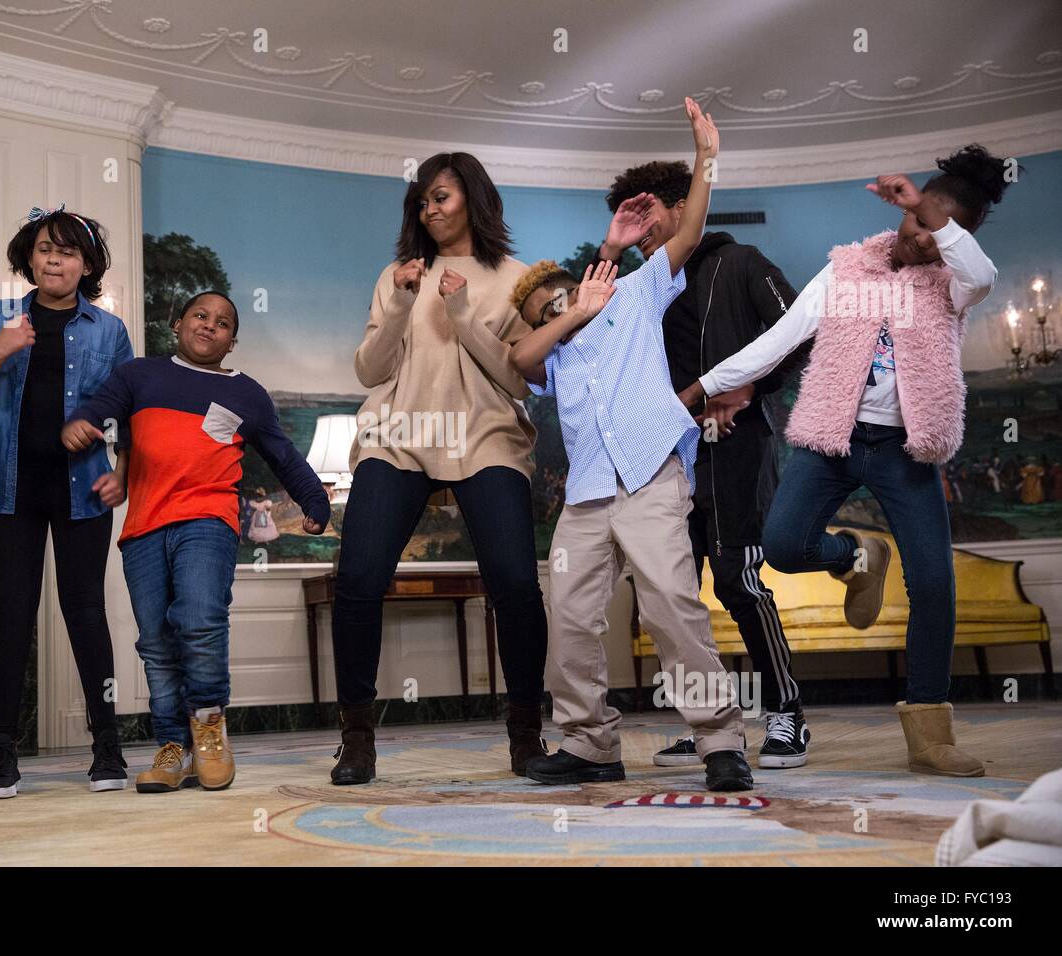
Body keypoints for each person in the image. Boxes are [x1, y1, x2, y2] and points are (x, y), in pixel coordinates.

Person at [677, 145, 1012, 777]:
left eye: (939, 229)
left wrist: (937, 220)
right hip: (830, 440)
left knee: (934, 587)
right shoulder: (847, 270)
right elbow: (780, 340)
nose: (922, 238)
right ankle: (858, 556)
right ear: (899, 217)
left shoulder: (953, 283)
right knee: (780, 546)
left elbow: (983, 275)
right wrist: (700, 389)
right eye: (915, 223)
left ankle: (930, 733)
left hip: (903, 451)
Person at [512, 99, 753, 792]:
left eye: (559, 298)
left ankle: (719, 741)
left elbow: (692, 228)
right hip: (587, 494)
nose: (552, 312)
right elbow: (520, 360)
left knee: (671, 606)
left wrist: (702, 161)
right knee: (570, 616)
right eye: (541, 313)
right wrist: (567, 321)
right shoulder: (554, 353)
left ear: (586, 282)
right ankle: (589, 744)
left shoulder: (638, 295)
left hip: (650, 477)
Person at [329, 151, 549, 785]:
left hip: (483, 432)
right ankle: (357, 740)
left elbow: (519, 378)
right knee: (359, 578)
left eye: (442, 196)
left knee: (514, 582)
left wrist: (462, 316)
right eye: (422, 199)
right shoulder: (397, 275)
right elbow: (369, 372)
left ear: (473, 200)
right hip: (400, 433)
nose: (429, 208)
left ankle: (526, 734)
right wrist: (400, 303)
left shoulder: (515, 278)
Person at [592, 156, 812, 770]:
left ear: (684, 207)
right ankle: (711, 724)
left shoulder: (740, 263)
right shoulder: (643, 288)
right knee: (672, 594)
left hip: (735, 450)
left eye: (650, 214)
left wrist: (749, 389)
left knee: (738, 583)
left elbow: (802, 333)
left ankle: (786, 713)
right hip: (665, 459)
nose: (644, 230)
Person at [63, 291, 330, 792]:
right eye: (200, 316)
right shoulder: (138, 375)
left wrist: (314, 503)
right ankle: (172, 748)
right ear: (176, 324)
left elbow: (283, 454)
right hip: (142, 526)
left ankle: (208, 729)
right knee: (156, 643)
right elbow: (102, 409)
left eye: (223, 323)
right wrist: (82, 425)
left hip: (208, 518)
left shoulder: (247, 393)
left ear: (232, 342)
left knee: (200, 619)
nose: (210, 326)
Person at [0, 206, 132, 798]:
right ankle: (2, 756)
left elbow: (129, 411)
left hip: (83, 490)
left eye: (69, 251)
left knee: (86, 613)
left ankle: (107, 748)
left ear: (87, 265)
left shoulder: (108, 330)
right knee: (12, 614)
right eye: (46, 248)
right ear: (29, 256)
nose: (55, 259)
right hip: (10, 488)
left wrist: (121, 470)